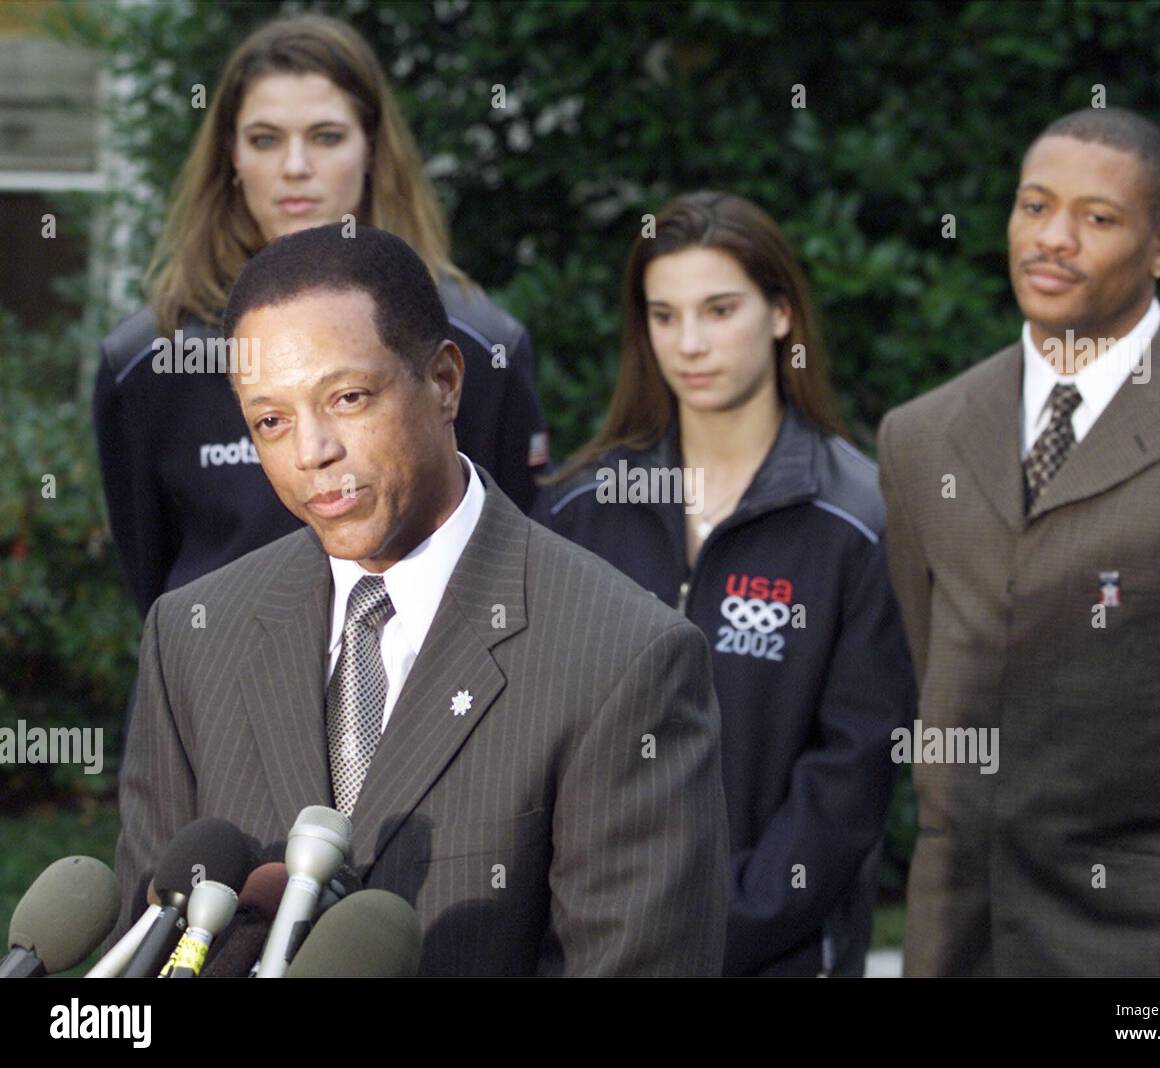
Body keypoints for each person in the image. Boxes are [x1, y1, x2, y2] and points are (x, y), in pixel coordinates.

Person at [107, 224, 730, 976]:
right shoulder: (193, 636)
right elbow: (143, 950)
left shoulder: (623, 657)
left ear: (443, 382)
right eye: (271, 421)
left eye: (347, 397)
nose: (312, 452)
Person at [878, 107, 1160, 976]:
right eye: (1035, 207)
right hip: (965, 935)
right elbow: (943, 678)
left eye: (1097, 218)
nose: (1053, 239)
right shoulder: (920, 437)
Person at [533, 191, 914, 976]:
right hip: (595, 945)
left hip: (777, 952)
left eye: (718, 309)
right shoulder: (581, 511)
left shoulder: (858, 520)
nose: (690, 343)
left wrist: (723, 927)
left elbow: (851, 773)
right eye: (663, 315)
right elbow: (537, 742)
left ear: (781, 314)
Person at [93, 13, 549, 621]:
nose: (296, 166)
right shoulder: (148, 359)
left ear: (372, 151)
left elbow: (514, 561)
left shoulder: (477, 342)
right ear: (230, 155)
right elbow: (152, 573)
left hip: (438, 700)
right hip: (217, 701)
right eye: (265, 139)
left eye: (327, 136)